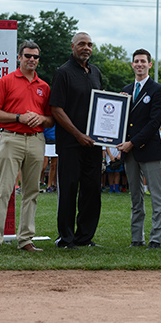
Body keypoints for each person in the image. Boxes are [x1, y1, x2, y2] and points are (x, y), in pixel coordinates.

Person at [0, 41, 53, 253]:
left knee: (31, 191)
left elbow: (50, 120)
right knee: (3, 190)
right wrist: (19, 117)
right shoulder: (6, 81)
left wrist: (39, 118)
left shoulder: (44, 86)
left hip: (36, 140)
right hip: (10, 138)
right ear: (19, 57)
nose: (32, 59)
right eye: (28, 56)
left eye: (35, 57)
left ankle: (26, 239)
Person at [50, 32, 103, 249]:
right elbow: (56, 108)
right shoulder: (63, 73)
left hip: (94, 143)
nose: (86, 48)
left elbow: (103, 105)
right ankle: (66, 238)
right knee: (69, 190)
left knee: (92, 192)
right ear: (73, 46)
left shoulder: (96, 72)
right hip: (71, 143)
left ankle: (85, 237)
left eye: (90, 44)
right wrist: (77, 134)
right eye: (82, 44)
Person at [117, 48, 161, 249]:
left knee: (156, 197)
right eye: (136, 61)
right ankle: (136, 238)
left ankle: (156, 239)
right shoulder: (126, 90)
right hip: (129, 151)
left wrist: (133, 142)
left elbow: (155, 122)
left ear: (150, 64)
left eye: (143, 61)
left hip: (148, 149)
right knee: (135, 197)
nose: (139, 64)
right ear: (132, 64)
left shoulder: (157, 89)